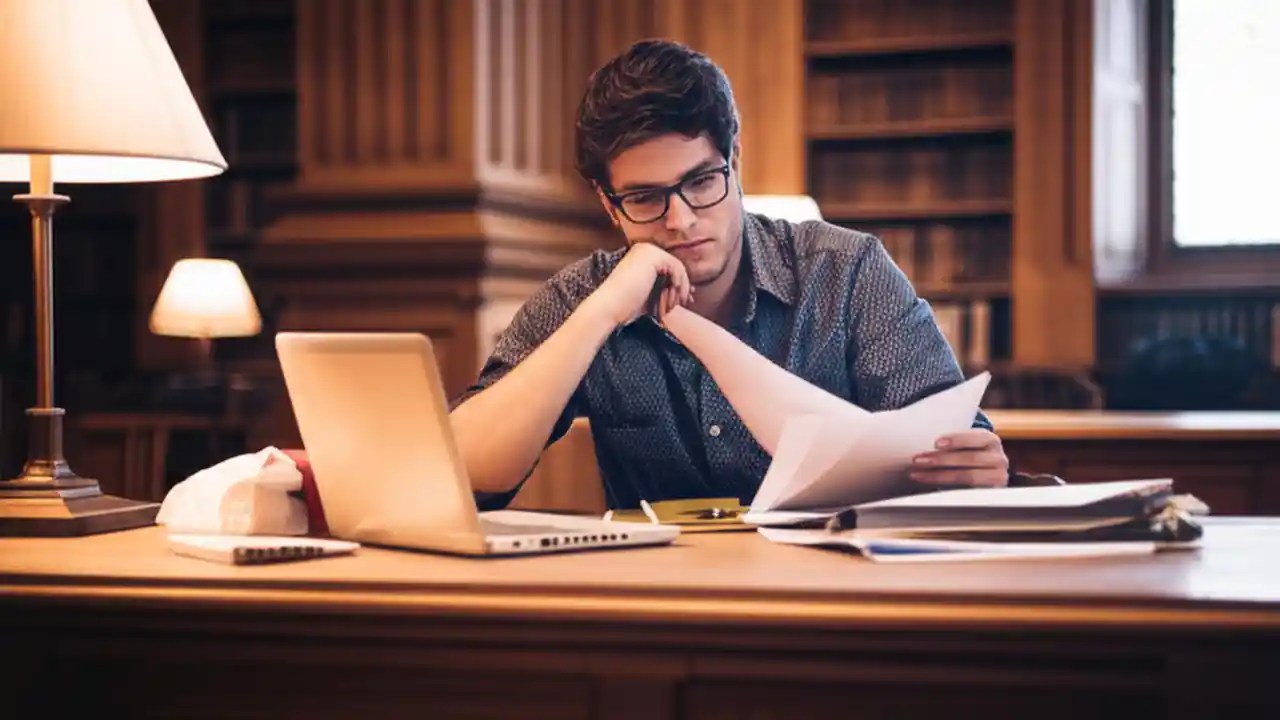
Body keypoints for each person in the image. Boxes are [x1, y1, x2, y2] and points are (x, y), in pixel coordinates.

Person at [450, 39, 1009, 510]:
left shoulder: (846, 273)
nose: (681, 220)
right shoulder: (581, 295)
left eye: (700, 182)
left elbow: (951, 442)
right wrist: (599, 314)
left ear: (734, 160)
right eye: (645, 198)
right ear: (607, 202)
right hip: (662, 610)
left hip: (841, 600)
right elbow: (469, 471)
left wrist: (972, 465)